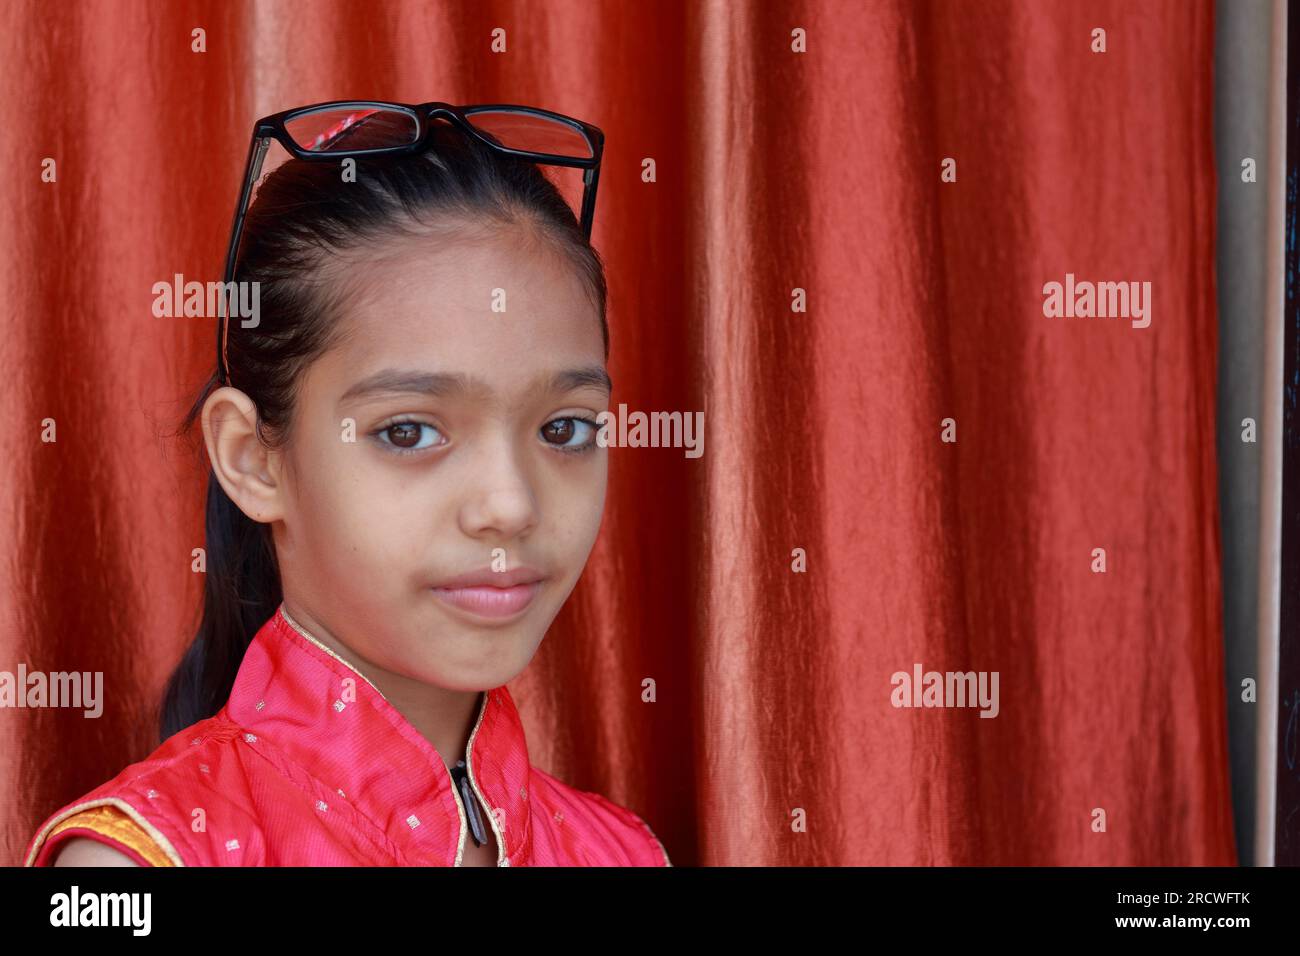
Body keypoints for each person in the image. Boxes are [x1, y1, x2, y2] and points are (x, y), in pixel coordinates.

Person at [23, 106, 670, 867]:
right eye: (409, 431)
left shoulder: (620, 852)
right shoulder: (128, 865)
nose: (511, 506)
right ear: (252, 458)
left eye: (563, 429)